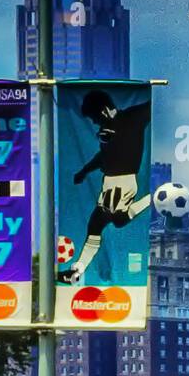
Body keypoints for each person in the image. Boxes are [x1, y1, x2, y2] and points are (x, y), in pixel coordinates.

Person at [62, 90, 151, 283]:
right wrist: (85, 171)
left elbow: (151, 107)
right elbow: (103, 155)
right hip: (110, 182)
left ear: (102, 111)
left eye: (95, 118)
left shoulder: (132, 117)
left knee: (109, 220)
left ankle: (151, 199)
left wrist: (159, 93)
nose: (95, 123)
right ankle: (76, 271)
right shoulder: (107, 131)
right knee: (99, 223)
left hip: (122, 181)